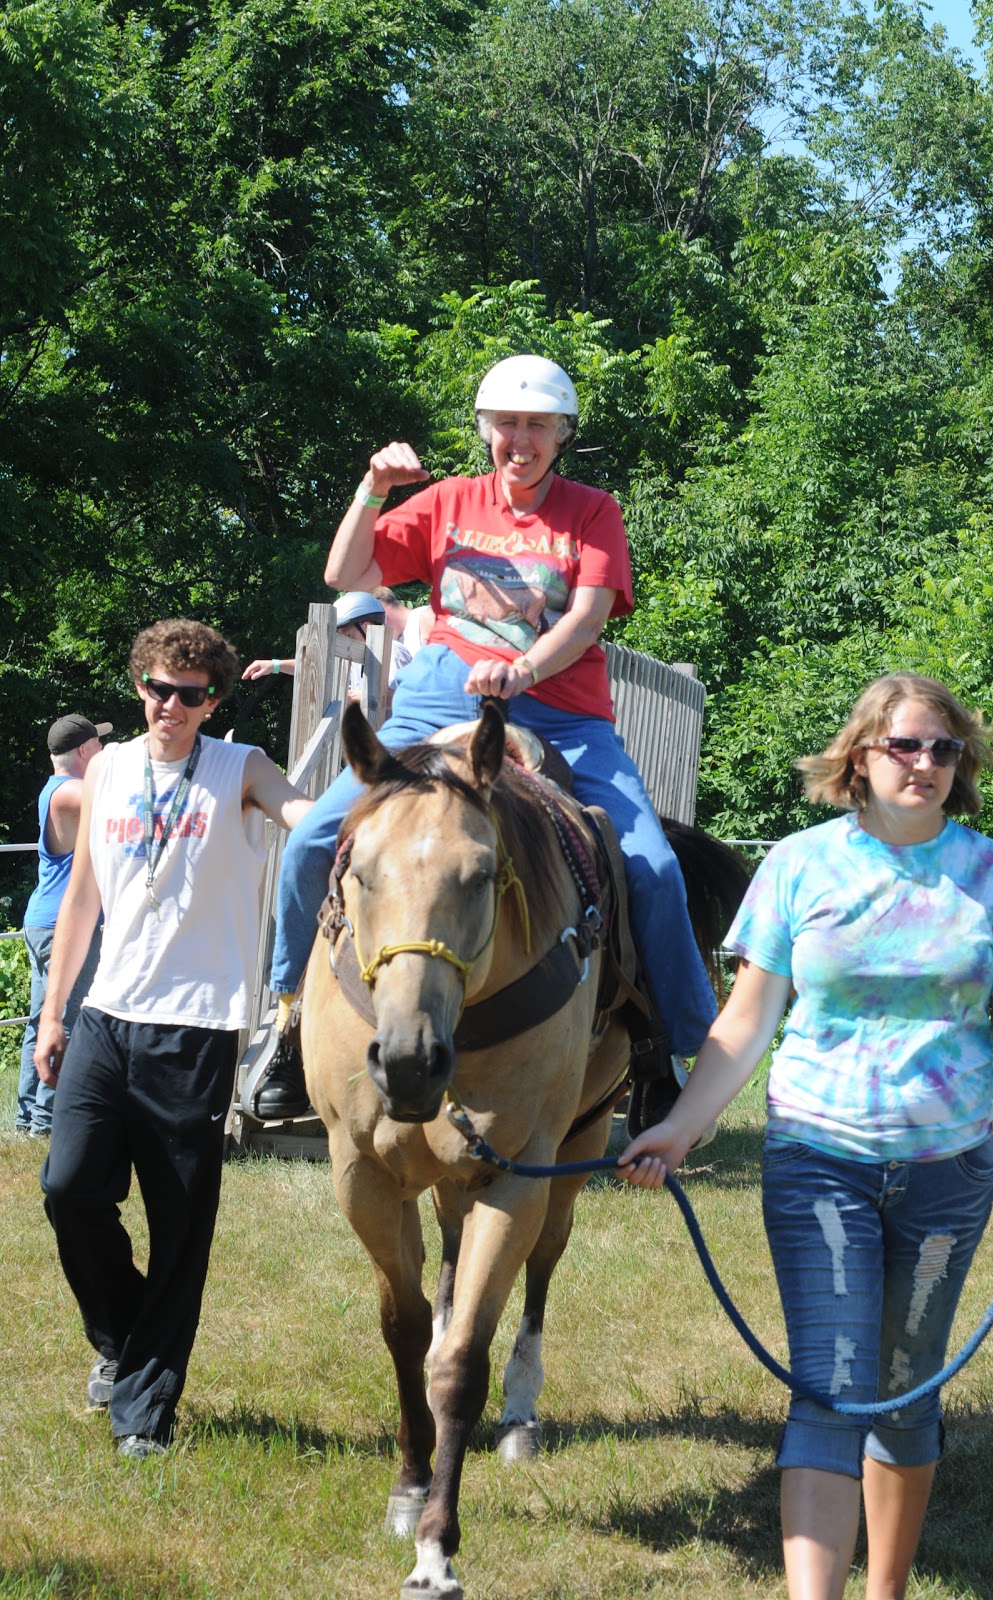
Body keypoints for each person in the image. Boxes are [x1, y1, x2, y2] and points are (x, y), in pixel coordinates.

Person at [619, 672, 993, 1600]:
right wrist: (680, 1127)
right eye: (906, 744)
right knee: (830, 1388)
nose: (926, 763)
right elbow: (746, 1023)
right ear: (860, 756)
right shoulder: (800, 866)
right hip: (819, 1165)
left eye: (944, 749)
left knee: (905, 1393)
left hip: (947, 1176)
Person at [251, 352, 719, 1119]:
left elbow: (587, 618)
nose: (520, 439)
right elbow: (346, 573)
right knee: (308, 843)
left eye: (537, 425)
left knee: (654, 867)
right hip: (432, 710)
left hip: (562, 713)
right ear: (485, 429)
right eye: (506, 423)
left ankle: (664, 1049)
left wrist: (522, 670)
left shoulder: (592, 511)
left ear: (563, 434)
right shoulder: (447, 502)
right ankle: (290, 1022)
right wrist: (373, 488)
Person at [34, 620, 313, 1459]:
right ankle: (123, 1340)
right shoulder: (110, 770)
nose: (172, 706)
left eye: (192, 695)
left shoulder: (240, 767)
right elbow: (83, 896)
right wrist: (53, 1013)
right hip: (106, 1015)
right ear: (139, 686)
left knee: (180, 1224)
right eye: (160, 689)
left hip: (197, 1026)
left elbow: (304, 814)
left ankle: (143, 1413)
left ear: (214, 700)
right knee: (69, 1188)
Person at [16, 714, 112, 1138]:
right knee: (65, 1019)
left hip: (44, 921)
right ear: (84, 750)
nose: (104, 752)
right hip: (63, 927)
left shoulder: (54, 789)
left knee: (42, 1019)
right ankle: (45, 1119)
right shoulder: (71, 792)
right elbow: (119, 796)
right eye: (100, 745)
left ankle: (27, 1117)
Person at [241, 590, 408, 689]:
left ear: (366, 626)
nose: (344, 641)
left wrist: (353, 698)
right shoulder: (357, 660)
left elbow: (399, 699)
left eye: (348, 636)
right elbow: (317, 665)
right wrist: (275, 665)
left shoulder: (392, 651)